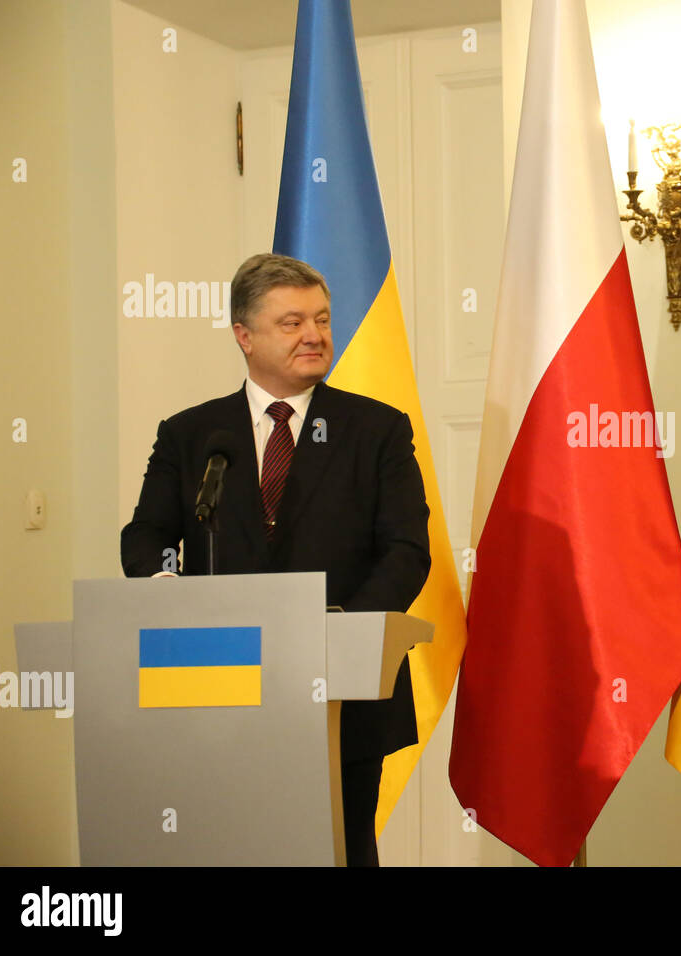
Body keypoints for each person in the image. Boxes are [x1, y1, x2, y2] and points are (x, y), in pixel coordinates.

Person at [120, 253, 431, 866]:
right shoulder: (191, 435)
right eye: (291, 322)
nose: (314, 334)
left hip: (340, 693)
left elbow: (405, 552)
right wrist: (167, 588)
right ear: (244, 335)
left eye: (321, 319)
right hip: (218, 691)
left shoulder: (378, 430)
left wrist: (337, 635)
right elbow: (147, 533)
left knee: (340, 852)